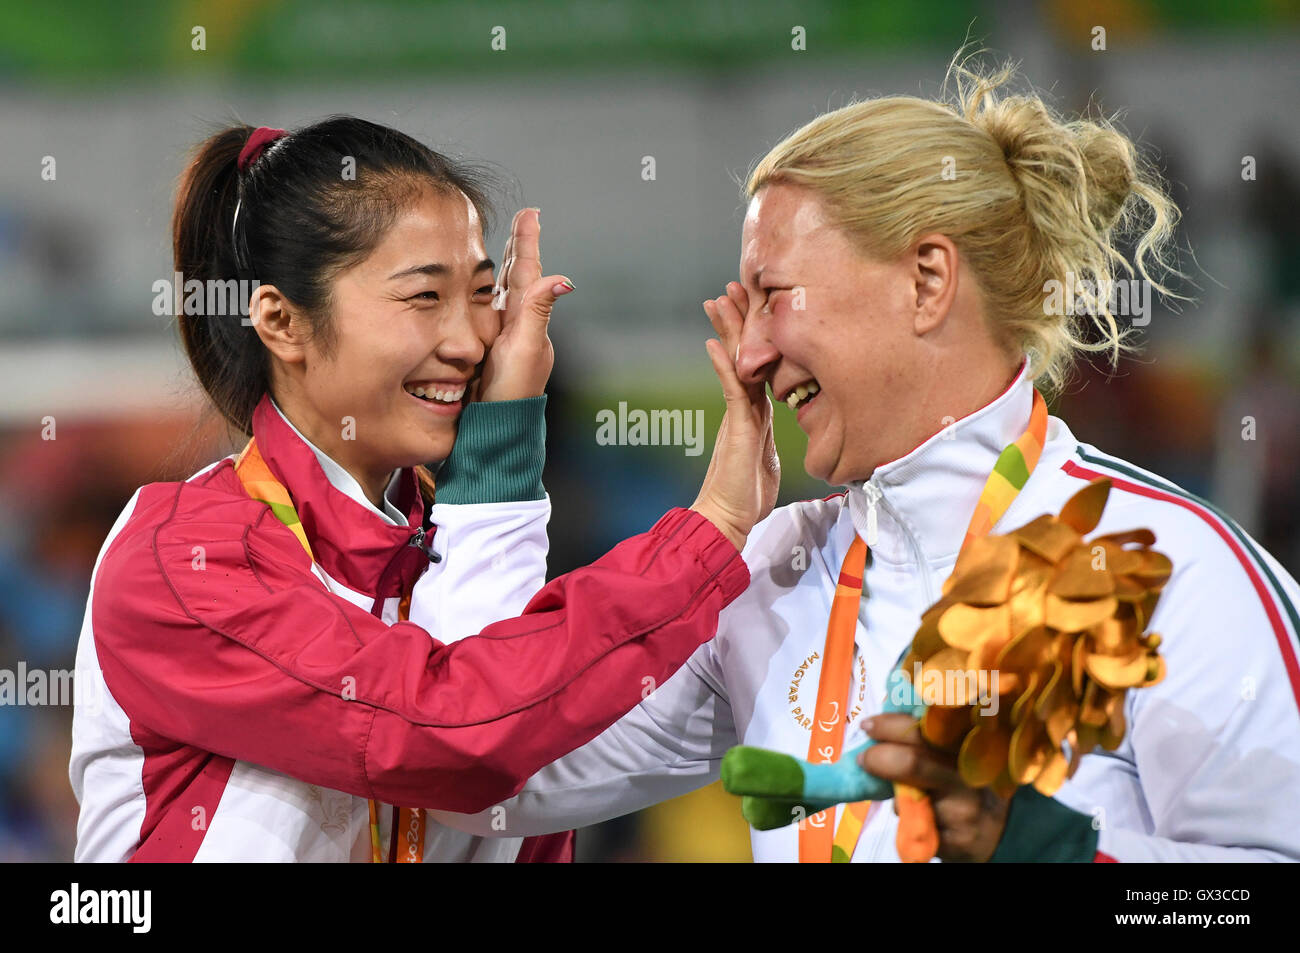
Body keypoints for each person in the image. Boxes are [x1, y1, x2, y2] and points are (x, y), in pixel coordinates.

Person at [431, 53, 1300, 862]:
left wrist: (1051, 848)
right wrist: (506, 438)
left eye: (775, 296)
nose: (751, 353)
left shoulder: (1171, 568)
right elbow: (477, 767)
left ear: (927, 280)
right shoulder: (770, 574)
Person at [69, 117, 778, 862]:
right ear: (281, 320)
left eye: (480, 292)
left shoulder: (449, 539)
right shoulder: (185, 556)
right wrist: (711, 530)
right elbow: (450, 736)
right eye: (424, 297)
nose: (471, 341)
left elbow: (521, 765)